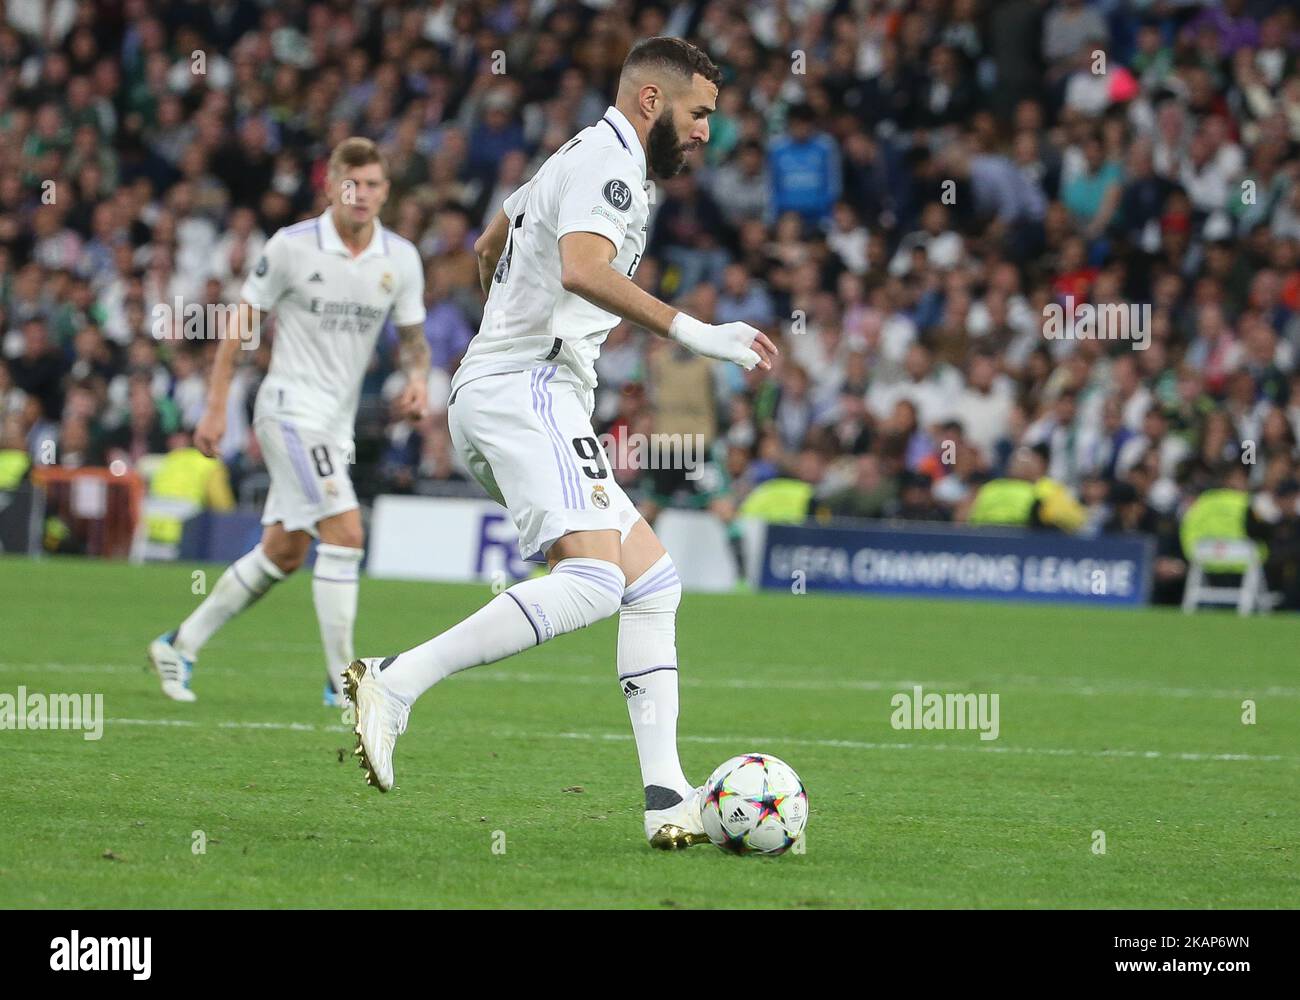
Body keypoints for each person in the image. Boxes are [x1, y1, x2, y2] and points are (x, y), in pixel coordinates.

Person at [342, 37, 778, 851]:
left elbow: (486, 243)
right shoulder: (609, 169)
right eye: (700, 115)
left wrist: (501, 330)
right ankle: (395, 684)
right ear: (652, 101)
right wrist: (697, 333)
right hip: (530, 390)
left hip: (511, 388)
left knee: (652, 583)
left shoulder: (570, 154)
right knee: (591, 583)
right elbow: (581, 268)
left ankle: (666, 798)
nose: (707, 134)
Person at [147, 137, 428, 705]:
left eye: (374, 185)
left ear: (386, 191)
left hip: (335, 424)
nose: (362, 195)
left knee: (284, 551)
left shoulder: (400, 259)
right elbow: (240, 329)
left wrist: (419, 379)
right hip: (287, 411)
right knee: (346, 532)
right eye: (352, 183)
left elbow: (415, 342)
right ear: (330, 186)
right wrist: (217, 406)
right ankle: (343, 683)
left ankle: (179, 644)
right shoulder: (291, 248)